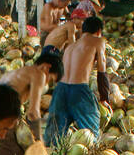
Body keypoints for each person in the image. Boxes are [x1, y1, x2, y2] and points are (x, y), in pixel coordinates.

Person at [0, 48, 64, 155]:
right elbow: (33, 112)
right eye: (50, 79)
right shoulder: (38, 73)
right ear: (47, 67)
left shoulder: (16, 73)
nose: (46, 83)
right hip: (3, 124)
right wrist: (39, 143)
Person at [45, 15, 109, 146]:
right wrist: (104, 98)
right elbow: (102, 71)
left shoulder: (70, 47)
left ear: (83, 30)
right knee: (89, 134)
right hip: (79, 90)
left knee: (54, 137)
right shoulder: (98, 41)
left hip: (60, 90)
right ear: (98, 31)